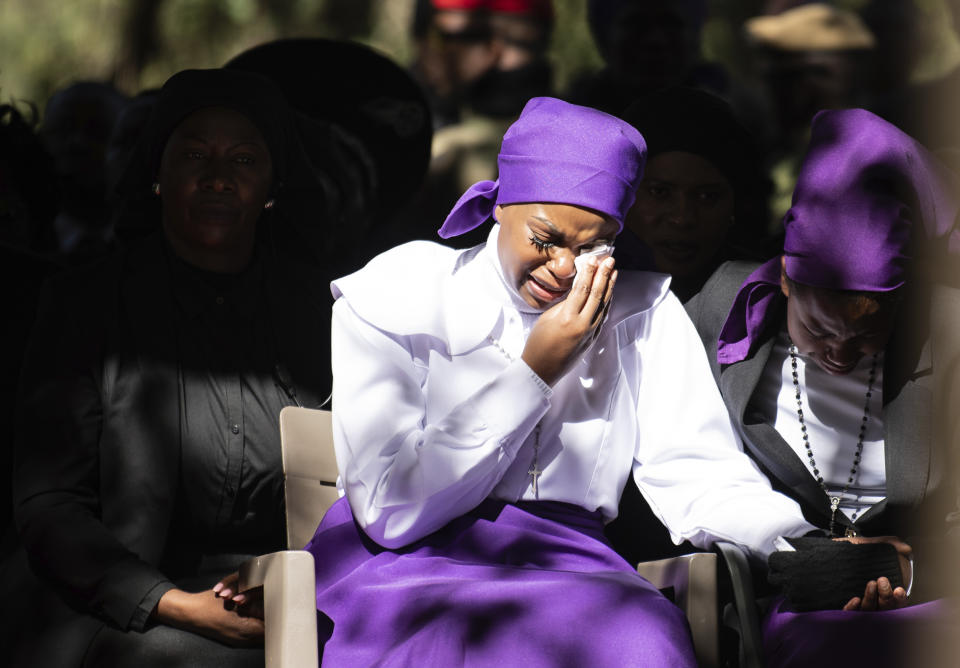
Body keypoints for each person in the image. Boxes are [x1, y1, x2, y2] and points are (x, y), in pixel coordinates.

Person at [244, 96, 816, 666]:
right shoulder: (400, 292)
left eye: (595, 246)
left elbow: (699, 473)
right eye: (545, 239)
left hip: (575, 570)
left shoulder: (641, 310)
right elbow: (388, 509)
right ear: (499, 205)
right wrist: (535, 370)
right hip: (400, 570)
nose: (566, 268)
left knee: (642, 645)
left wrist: (803, 547)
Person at [7, 68, 333, 667]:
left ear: (272, 185)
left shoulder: (326, 313)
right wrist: (174, 603)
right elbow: (50, 504)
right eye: (192, 155)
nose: (217, 178)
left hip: (294, 594)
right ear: (156, 175)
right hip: (123, 603)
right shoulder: (85, 305)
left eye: (242, 159)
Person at [687, 108, 960, 667]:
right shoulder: (717, 310)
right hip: (788, 590)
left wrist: (909, 568)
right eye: (816, 329)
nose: (838, 352)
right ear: (785, 275)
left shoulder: (950, 335)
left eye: (865, 337)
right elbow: (691, 465)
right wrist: (807, 560)